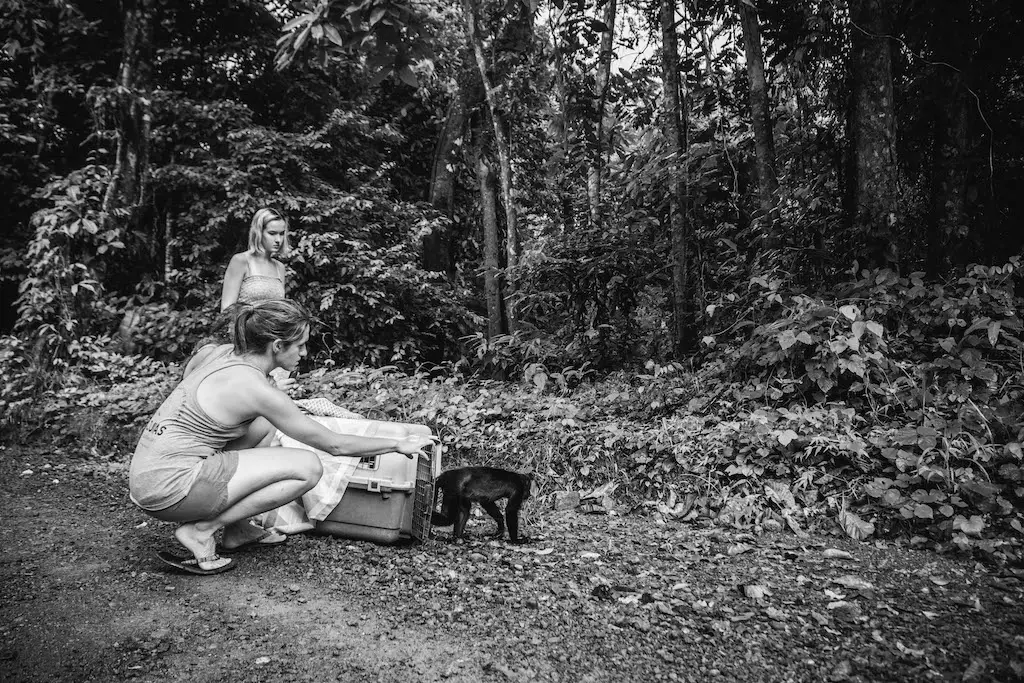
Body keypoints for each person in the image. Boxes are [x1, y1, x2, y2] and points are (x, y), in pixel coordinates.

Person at [129, 300, 436, 575]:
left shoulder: (216, 354)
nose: (304, 353)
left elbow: (192, 390)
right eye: (300, 345)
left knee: (264, 424)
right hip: (172, 490)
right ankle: (203, 529)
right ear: (276, 345)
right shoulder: (255, 388)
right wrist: (396, 443)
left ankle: (238, 530)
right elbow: (334, 444)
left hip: (146, 477)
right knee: (308, 467)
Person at [220, 208, 290, 312]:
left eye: (281, 234)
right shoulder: (241, 261)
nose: (278, 240)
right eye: (272, 233)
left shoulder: (279, 267)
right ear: (258, 232)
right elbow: (227, 310)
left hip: (272, 328)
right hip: (243, 327)